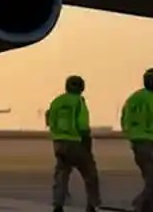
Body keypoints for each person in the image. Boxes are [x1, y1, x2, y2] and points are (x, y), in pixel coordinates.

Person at [121, 69, 153, 212]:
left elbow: (125, 119)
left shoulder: (134, 98)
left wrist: (132, 135)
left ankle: (149, 206)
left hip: (139, 142)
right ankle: (141, 204)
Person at [45, 75, 100, 212]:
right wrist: (87, 143)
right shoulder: (78, 102)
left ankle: (58, 204)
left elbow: (49, 119)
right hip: (75, 142)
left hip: (59, 143)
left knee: (61, 175)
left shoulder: (57, 101)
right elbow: (82, 125)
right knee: (90, 174)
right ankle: (92, 204)